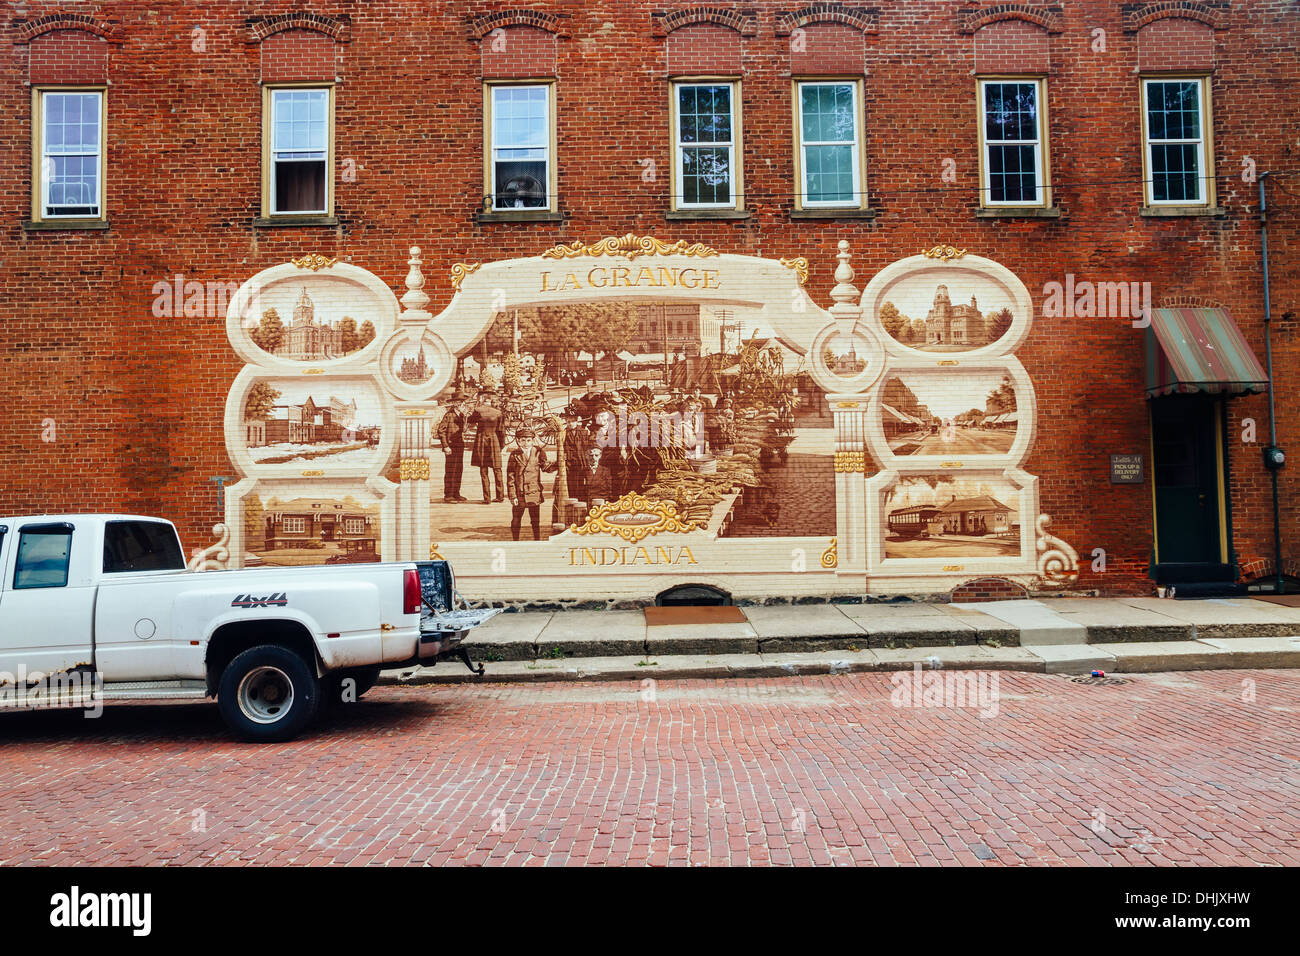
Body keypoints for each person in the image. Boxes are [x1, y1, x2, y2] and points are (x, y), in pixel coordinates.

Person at [506, 428, 554, 541]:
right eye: (523, 440)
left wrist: (558, 464)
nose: (526, 443)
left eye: (528, 440)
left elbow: (546, 467)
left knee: (535, 520)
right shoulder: (514, 455)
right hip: (520, 493)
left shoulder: (538, 452)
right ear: (518, 441)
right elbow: (510, 477)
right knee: (516, 520)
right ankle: (515, 541)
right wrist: (513, 496)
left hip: (534, 492)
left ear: (533, 441)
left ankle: (537, 540)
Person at [468, 395, 506, 503]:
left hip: (481, 440)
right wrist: (501, 445)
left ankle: (487, 498)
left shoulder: (478, 410)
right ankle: (500, 496)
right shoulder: (498, 413)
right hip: (494, 440)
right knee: (497, 469)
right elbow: (501, 431)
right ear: (491, 401)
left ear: (482, 400)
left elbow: (470, 421)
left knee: (483, 470)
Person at [435, 400, 468, 501]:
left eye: (462, 402)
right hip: (450, 446)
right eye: (459, 402)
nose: (462, 404)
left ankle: (456, 493)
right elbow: (441, 431)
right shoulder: (448, 415)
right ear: (455, 404)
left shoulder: (462, 415)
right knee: (450, 470)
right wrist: (445, 446)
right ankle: (448, 495)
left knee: (458, 470)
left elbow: (464, 430)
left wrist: (466, 417)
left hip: (459, 446)